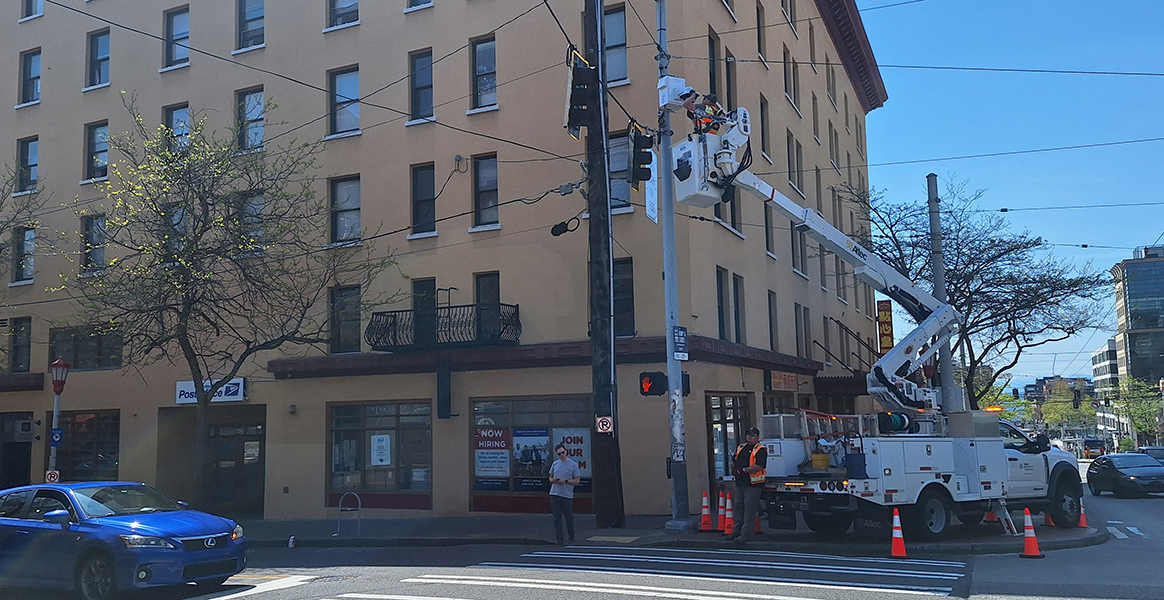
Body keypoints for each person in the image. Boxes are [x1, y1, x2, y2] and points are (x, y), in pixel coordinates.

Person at [726, 427, 767, 543]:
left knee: (749, 509)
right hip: (740, 483)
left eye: (752, 435)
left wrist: (743, 470)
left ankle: (745, 534)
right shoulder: (741, 447)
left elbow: (760, 466)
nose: (749, 437)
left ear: (757, 437)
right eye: (748, 434)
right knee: (738, 507)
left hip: (753, 485)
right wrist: (733, 467)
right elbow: (733, 460)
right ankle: (736, 532)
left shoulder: (760, 450)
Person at [547, 443, 582, 545]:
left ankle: (571, 534)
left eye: (563, 452)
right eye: (559, 454)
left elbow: (577, 481)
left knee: (569, 517)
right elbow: (550, 477)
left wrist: (565, 481)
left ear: (566, 451)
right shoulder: (555, 464)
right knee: (557, 518)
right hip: (554, 494)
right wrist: (553, 480)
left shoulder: (573, 464)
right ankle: (559, 538)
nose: (561, 455)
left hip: (567, 495)